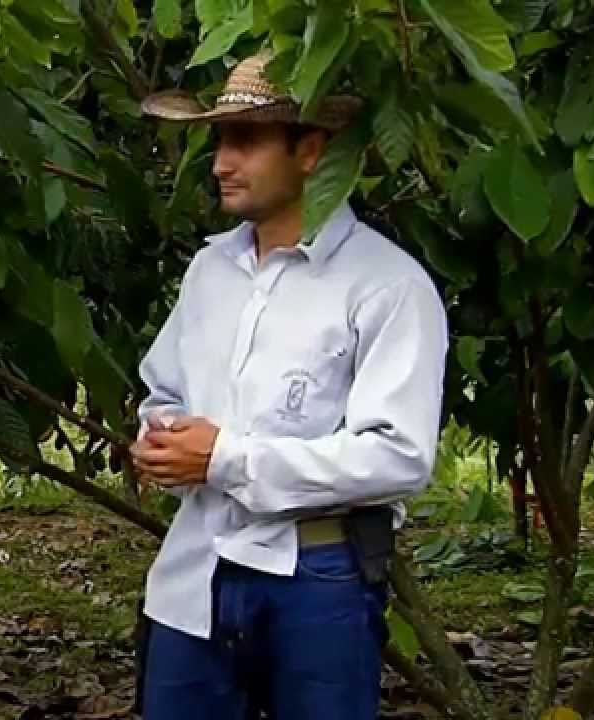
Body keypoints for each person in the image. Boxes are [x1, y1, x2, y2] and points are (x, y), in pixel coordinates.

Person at [129, 51, 449, 719]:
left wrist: (225, 458)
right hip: (197, 566)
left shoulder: (387, 286)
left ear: (309, 151)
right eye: (219, 140)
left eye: (245, 141)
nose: (221, 162)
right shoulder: (209, 272)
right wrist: (160, 437)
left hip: (317, 577)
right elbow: (164, 389)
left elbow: (397, 454)